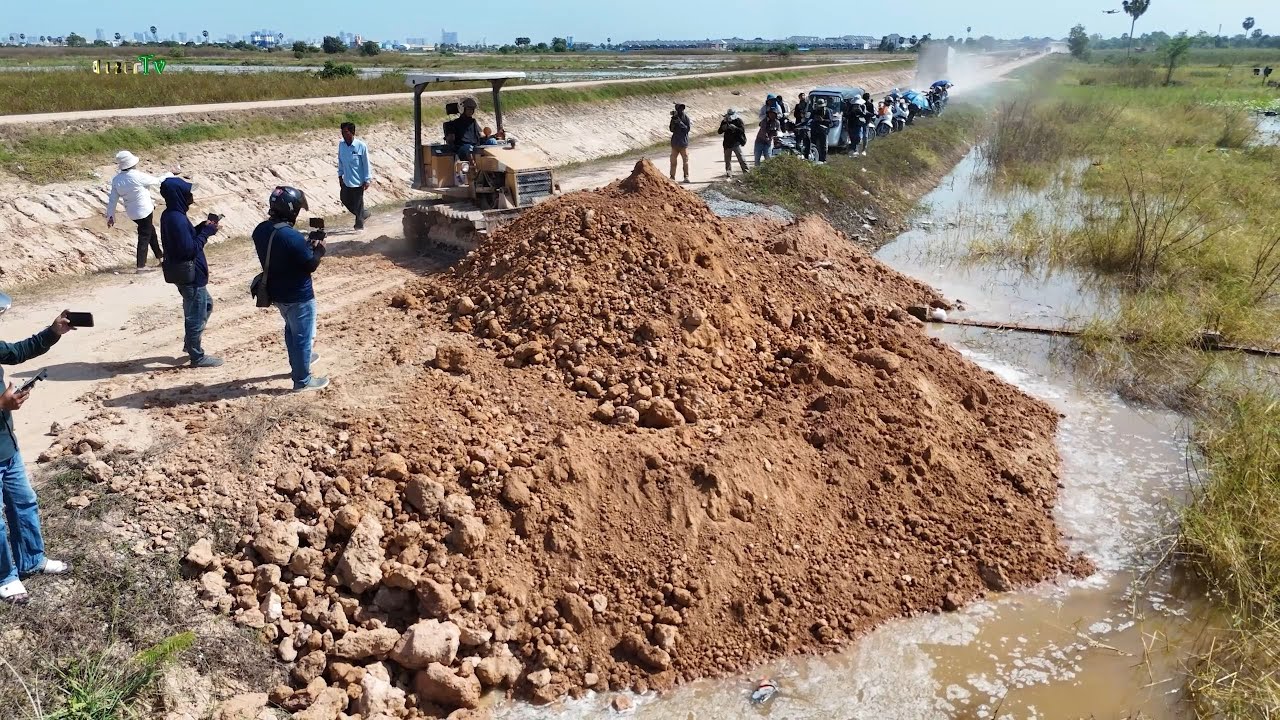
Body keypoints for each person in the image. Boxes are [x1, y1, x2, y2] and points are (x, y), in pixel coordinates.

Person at [1, 295, 74, 605]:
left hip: (6, 448)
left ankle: (31, 559)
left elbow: (18, 351)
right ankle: (6, 578)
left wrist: (53, 331)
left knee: (24, 502)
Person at [252, 187, 329, 392]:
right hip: (298, 295)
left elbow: (283, 254)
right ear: (291, 209)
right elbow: (309, 264)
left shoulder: (260, 230)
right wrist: (318, 250)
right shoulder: (291, 236)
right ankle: (302, 380)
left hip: (277, 293)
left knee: (291, 331)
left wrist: (305, 247)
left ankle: (298, 364)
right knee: (302, 337)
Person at [159, 177, 222, 368]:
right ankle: (197, 355)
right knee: (196, 313)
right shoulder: (176, 219)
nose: (192, 197)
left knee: (205, 305)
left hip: (184, 273)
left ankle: (191, 344)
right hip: (190, 275)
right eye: (188, 193)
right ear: (179, 195)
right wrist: (207, 233)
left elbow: (184, 241)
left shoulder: (171, 215)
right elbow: (189, 250)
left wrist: (201, 228)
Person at [105, 150, 172, 274]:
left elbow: (113, 199)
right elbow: (157, 181)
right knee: (145, 236)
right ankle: (141, 266)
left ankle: (161, 258)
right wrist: (170, 173)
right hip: (144, 210)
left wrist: (110, 216)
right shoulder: (137, 175)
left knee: (150, 232)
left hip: (132, 213)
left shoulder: (117, 180)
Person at [337, 122, 372, 232]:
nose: (343, 134)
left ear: (352, 132)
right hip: (346, 180)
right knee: (344, 199)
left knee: (358, 202)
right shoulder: (341, 145)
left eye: (346, 132)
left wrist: (367, 179)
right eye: (342, 132)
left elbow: (366, 163)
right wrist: (340, 175)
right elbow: (340, 161)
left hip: (358, 181)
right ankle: (363, 214)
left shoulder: (361, 146)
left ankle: (359, 226)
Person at [717, 109, 749, 177]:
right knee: (727, 160)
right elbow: (719, 131)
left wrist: (735, 128)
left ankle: (746, 172)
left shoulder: (738, 121)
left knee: (741, 158)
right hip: (727, 144)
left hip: (736, 143)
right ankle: (729, 174)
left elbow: (742, 131)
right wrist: (723, 128)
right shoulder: (724, 121)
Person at [669, 103, 691, 183]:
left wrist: (680, 123)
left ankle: (686, 176)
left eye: (681, 108)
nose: (680, 110)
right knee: (673, 161)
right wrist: (674, 121)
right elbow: (671, 129)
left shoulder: (686, 118)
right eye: (679, 109)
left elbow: (687, 129)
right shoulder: (674, 118)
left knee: (685, 161)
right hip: (675, 143)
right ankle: (672, 176)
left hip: (683, 143)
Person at [809, 98, 832, 163]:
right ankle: (814, 157)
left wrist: (823, 120)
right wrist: (814, 119)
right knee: (813, 144)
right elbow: (810, 119)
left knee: (823, 145)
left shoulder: (827, 111)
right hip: (815, 129)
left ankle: (823, 159)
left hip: (823, 130)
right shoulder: (814, 111)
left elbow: (830, 121)